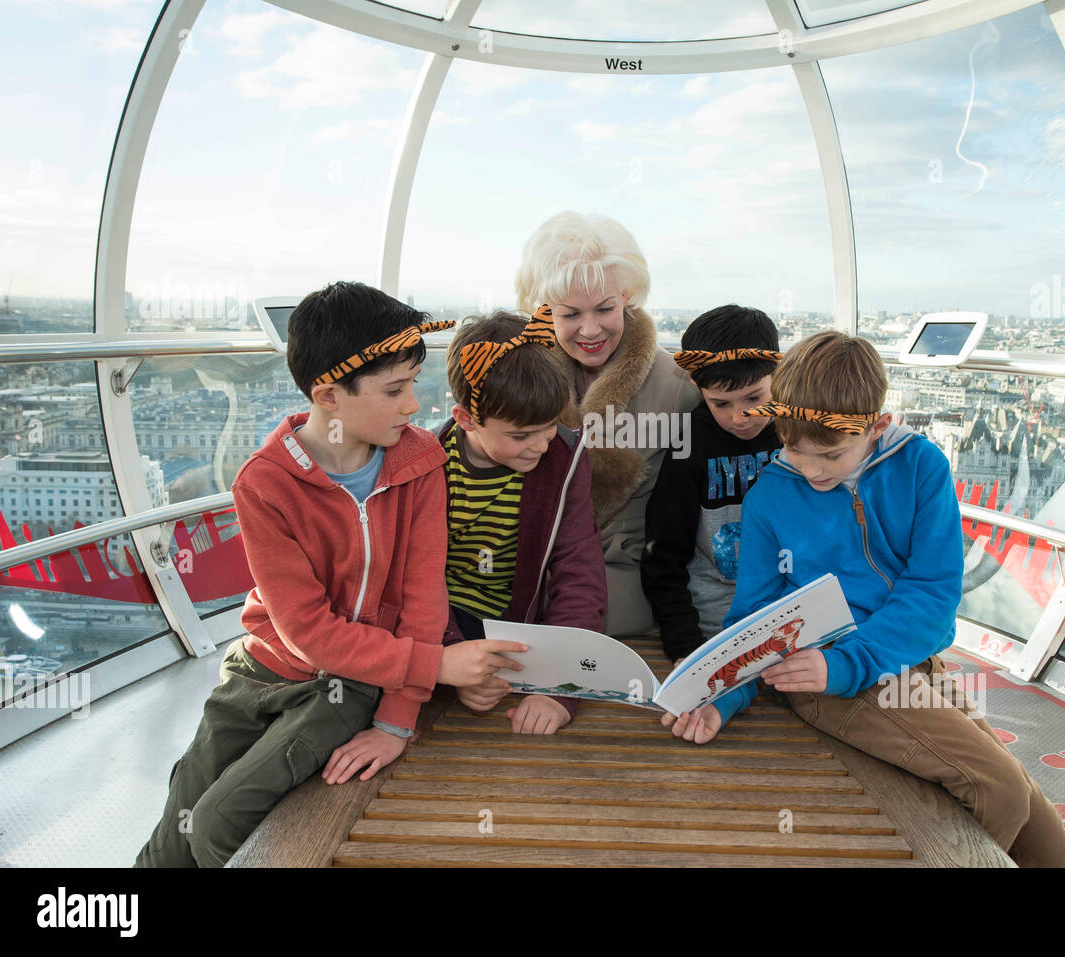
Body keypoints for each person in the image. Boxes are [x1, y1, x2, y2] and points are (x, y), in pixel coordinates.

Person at [135, 281, 526, 867]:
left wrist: (396, 722)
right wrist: (437, 665)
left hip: (348, 683)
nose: (413, 405)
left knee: (216, 824)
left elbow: (423, 600)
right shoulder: (264, 484)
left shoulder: (420, 462)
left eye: (413, 384)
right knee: (177, 820)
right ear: (328, 395)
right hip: (261, 667)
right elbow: (305, 629)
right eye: (395, 389)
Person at [663, 331, 1065, 868]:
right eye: (793, 449)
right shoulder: (770, 495)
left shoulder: (922, 467)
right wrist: (720, 697)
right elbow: (753, 620)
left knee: (1048, 841)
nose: (809, 471)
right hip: (827, 679)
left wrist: (867, 656)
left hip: (906, 658)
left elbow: (932, 592)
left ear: (878, 426)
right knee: (997, 789)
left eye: (830, 454)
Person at [515, 211, 699, 638]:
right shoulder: (521, 377)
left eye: (605, 308)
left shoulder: (677, 387)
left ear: (628, 299)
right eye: (570, 314)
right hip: (530, 561)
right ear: (544, 312)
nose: (590, 329)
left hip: (626, 576)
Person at [436, 308, 606, 734]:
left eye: (549, 427)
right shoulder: (428, 464)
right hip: (441, 626)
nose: (541, 446)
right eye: (519, 436)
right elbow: (412, 581)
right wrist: (453, 660)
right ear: (466, 419)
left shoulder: (565, 461)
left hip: (521, 630)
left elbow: (579, 574)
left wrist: (561, 688)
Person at [640, 304, 783, 663]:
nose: (740, 418)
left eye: (754, 398)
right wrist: (684, 649)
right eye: (721, 404)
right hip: (713, 629)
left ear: (778, 376)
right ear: (695, 385)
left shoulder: (800, 433)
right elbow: (664, 555)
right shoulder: (689, 442)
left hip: (790, 620)